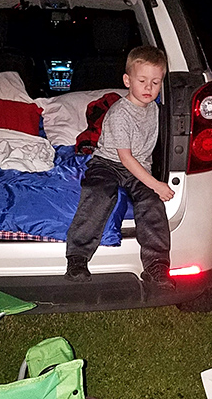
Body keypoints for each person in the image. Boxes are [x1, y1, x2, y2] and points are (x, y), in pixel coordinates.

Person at [65, 45, 174, 288]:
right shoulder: (120, 113)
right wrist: (156, 184)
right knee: (99, 193)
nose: (148, 88)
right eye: (142, 80)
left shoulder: (155, 109)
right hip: (108, 164)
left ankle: (156, 266)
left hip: (140, 168)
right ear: (127, 80)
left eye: (155, 82)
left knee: (151, 203)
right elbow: (125, 159)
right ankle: (78, 257)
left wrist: (152, 188)